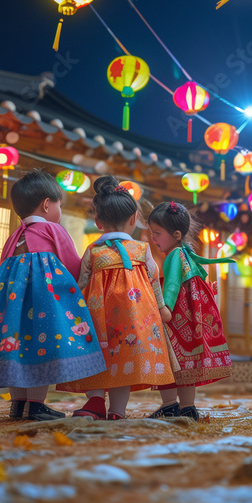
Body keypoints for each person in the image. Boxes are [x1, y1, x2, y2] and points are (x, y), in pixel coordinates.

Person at [0, 169, 105, 421]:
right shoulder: (53, 230)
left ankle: (18, 404)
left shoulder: (14, 236)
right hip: (43, 303)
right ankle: (36, 405)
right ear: (47, 204)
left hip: (11, 307)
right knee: (41, 345)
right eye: (59, 204)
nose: (59, 209)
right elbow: (71, 265)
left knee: (16, 347)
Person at [56, 177, 176, 420]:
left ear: (98, 222)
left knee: (96, 358)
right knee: (125, 361)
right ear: (133, 219)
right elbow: (153, 279)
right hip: (134, 317)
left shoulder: (93, 250)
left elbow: (81, 283)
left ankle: (95, 401)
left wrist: (70, 308)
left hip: (97, 316)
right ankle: (117, 411)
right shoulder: (142, 250)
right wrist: (161, 307)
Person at [147, 201, 235, 421]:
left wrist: (165, 307)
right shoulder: (188, 252)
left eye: (157, 233)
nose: (153, 238)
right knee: (186, 365)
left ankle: (169, 405)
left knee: (168, 360)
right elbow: (200, 280)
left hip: (176, 315)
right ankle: (188, 407)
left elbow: (172, 284)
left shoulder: (174, 256)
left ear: (176, 234)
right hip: (191, 317)